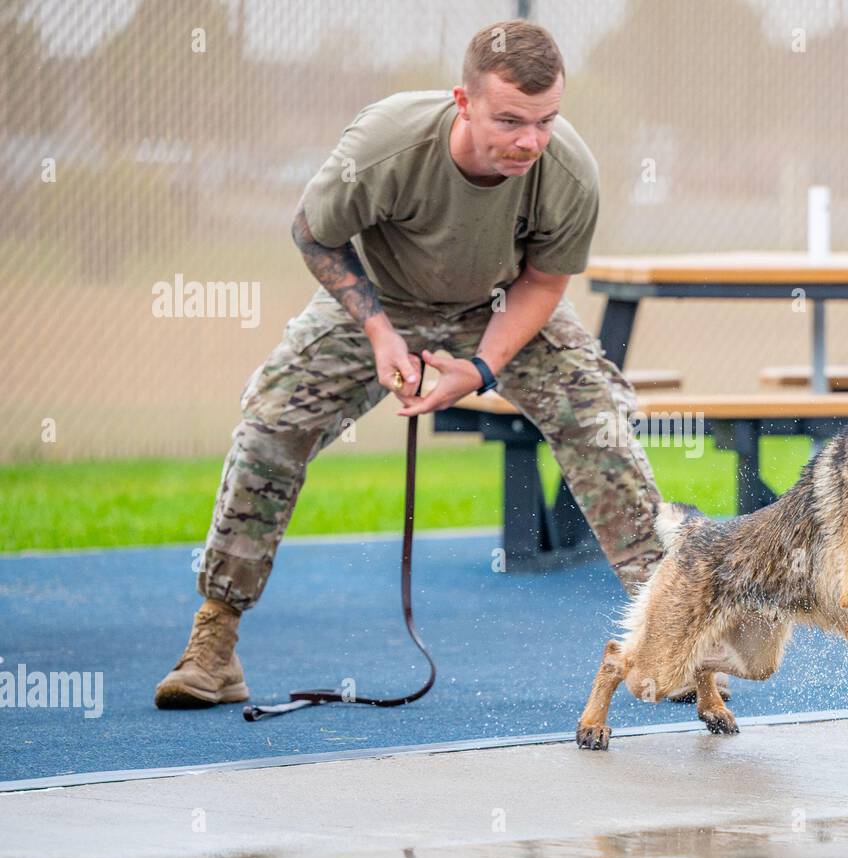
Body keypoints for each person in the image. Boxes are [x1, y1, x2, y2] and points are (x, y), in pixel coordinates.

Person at [154, 19, 669, 708]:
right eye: (510, 120)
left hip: (499, 301)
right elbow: (313, 232)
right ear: (464, 101)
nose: (530, 141)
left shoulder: (567, 170)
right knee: (271, 424)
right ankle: (214, 645)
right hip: (380, 297)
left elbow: (544, 284)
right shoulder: (385, 145)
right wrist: (377, 332)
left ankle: (673, 640)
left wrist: (479, 371)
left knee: (601, 425)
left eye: (546, 121)